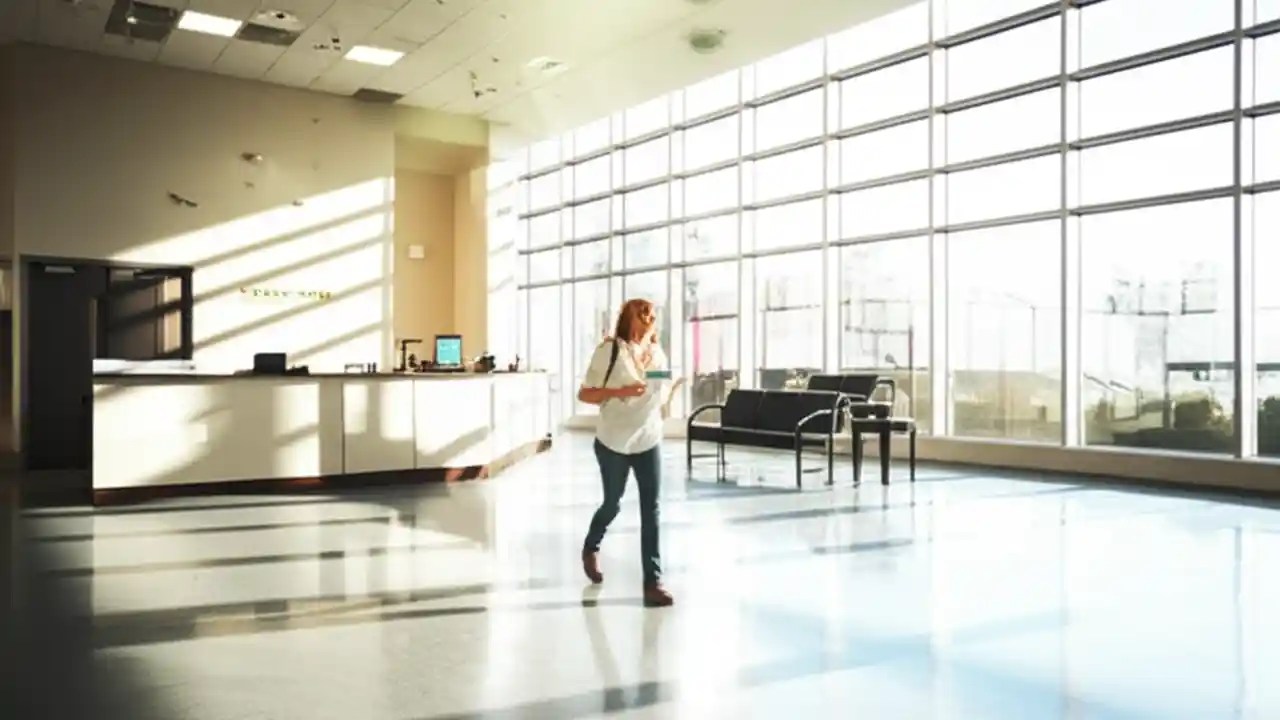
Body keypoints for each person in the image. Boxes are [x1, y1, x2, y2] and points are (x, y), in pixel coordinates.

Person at [577, 298, 675, 607]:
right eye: (638, 320)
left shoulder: (657, 353)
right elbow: (585, 393)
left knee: (652, 510)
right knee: (612, 503)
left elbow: (661, 391)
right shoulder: (610, 351)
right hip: (613, 442)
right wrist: (619, 392)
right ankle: (591, 546)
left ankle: (653, 582)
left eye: (648, 321)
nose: (644, 327)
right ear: (627, 320)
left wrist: (663, 391)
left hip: (648, 439)